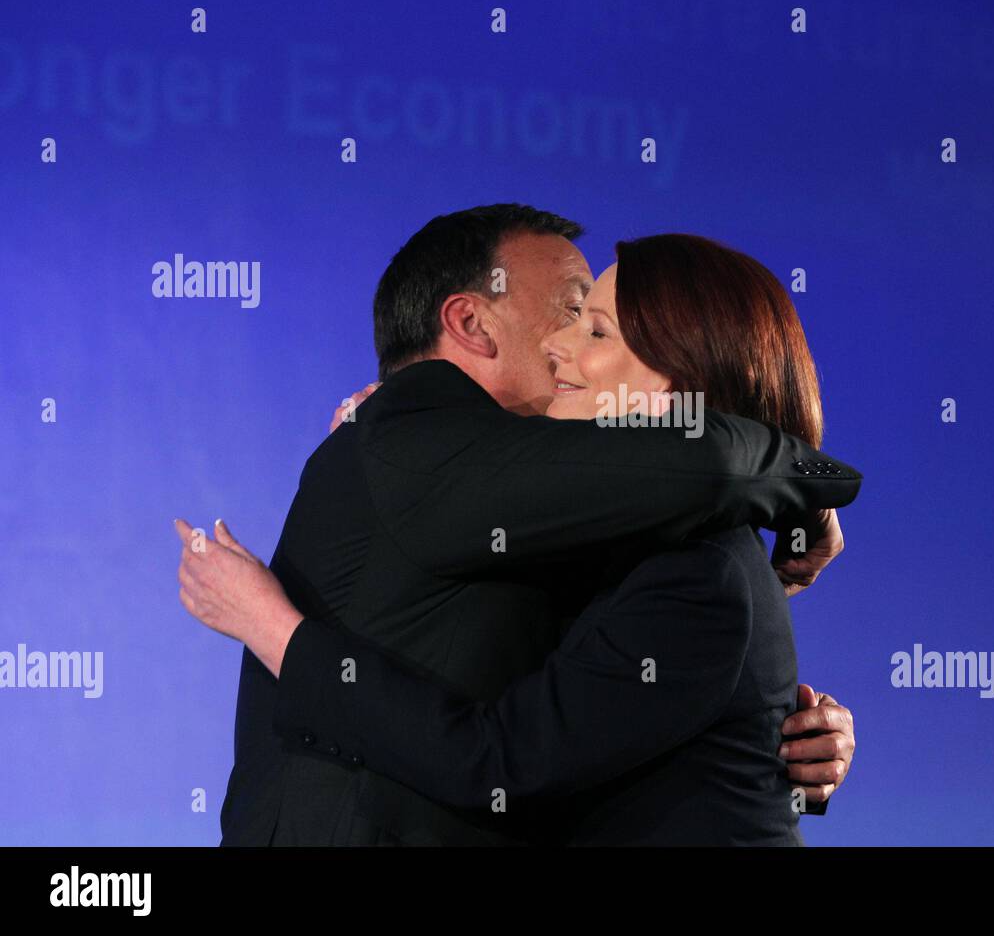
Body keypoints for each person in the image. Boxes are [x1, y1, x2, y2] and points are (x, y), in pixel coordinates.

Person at [177, 228, 860, 845]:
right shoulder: (416, 438)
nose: (563, 344)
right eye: (571, 311)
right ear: (471, 320)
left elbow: (513, 752)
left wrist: (772, 723)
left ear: (669, 396)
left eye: (594, 330)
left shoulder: (666, 549)